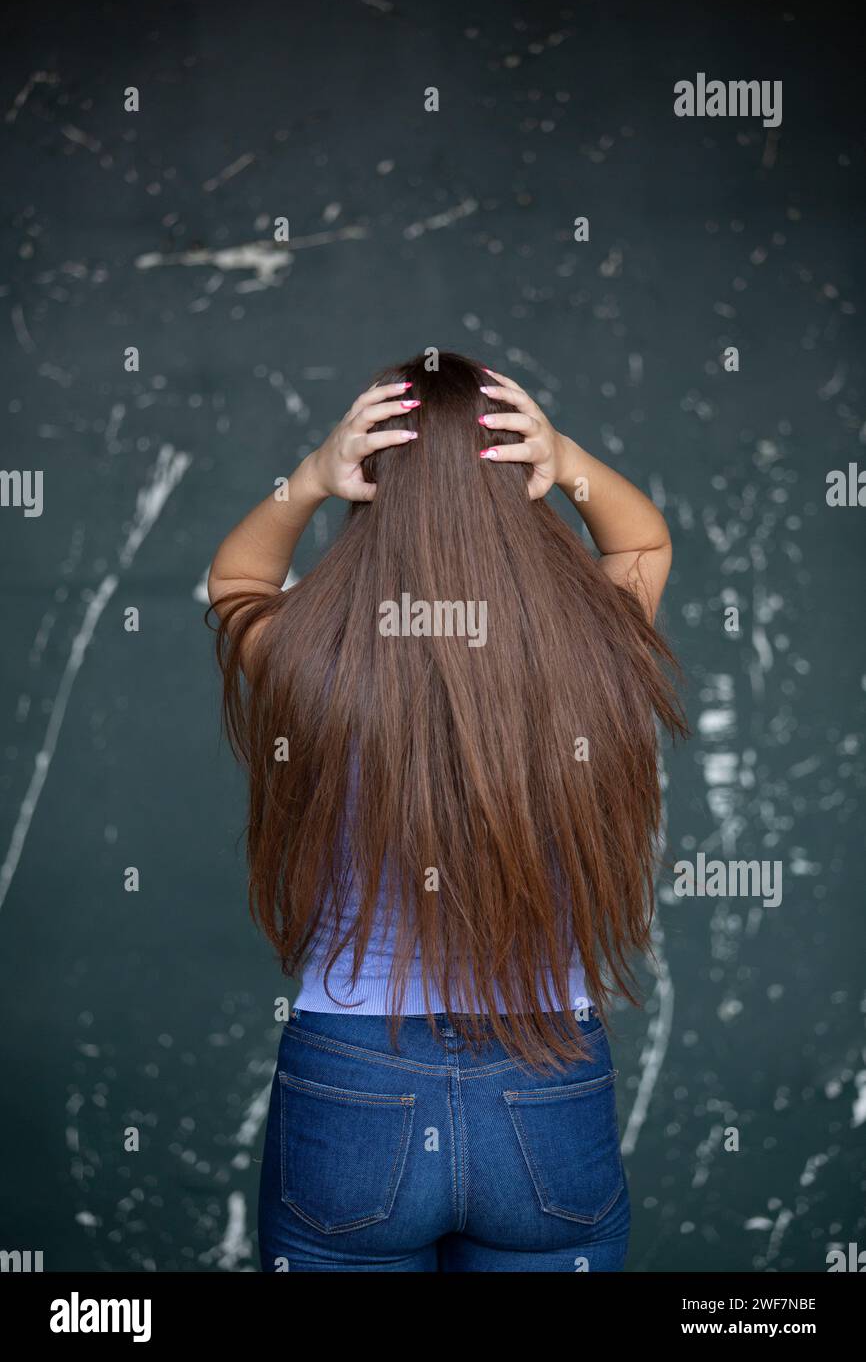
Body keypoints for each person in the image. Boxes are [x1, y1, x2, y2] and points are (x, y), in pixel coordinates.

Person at [208, 351, 688, 1272]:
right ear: (522, 484)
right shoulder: (596, 648)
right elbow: (644, 544)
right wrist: (565, 453)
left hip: (352, 1080)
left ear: (370, 490)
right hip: (544, 1081)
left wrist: (309, 475)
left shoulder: (309, 659)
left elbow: (236, 585)